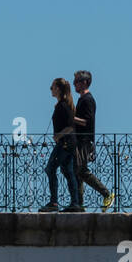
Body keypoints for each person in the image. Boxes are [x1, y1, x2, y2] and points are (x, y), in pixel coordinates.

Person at [72, 70, 115, 210]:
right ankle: (79, 205)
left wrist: (70, 118)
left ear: (84, 82)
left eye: (77, 81)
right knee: (76, 172)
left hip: (85, 141)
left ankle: (106, 194)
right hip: (79, 141)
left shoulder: (88, 100)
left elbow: (87, 122)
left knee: (81, 170)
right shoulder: (81, 99)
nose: (74, 84)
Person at [40, 78, 83, 212]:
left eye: (52, 87)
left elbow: (70, 126)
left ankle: (54, 203)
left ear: (58, 89)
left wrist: (58, 135)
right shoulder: (63, 105)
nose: (50, 89)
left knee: (50, 168)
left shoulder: (63, 106)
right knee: (67, 171)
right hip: (68, 143)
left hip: (65, 143)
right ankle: (75, 203)